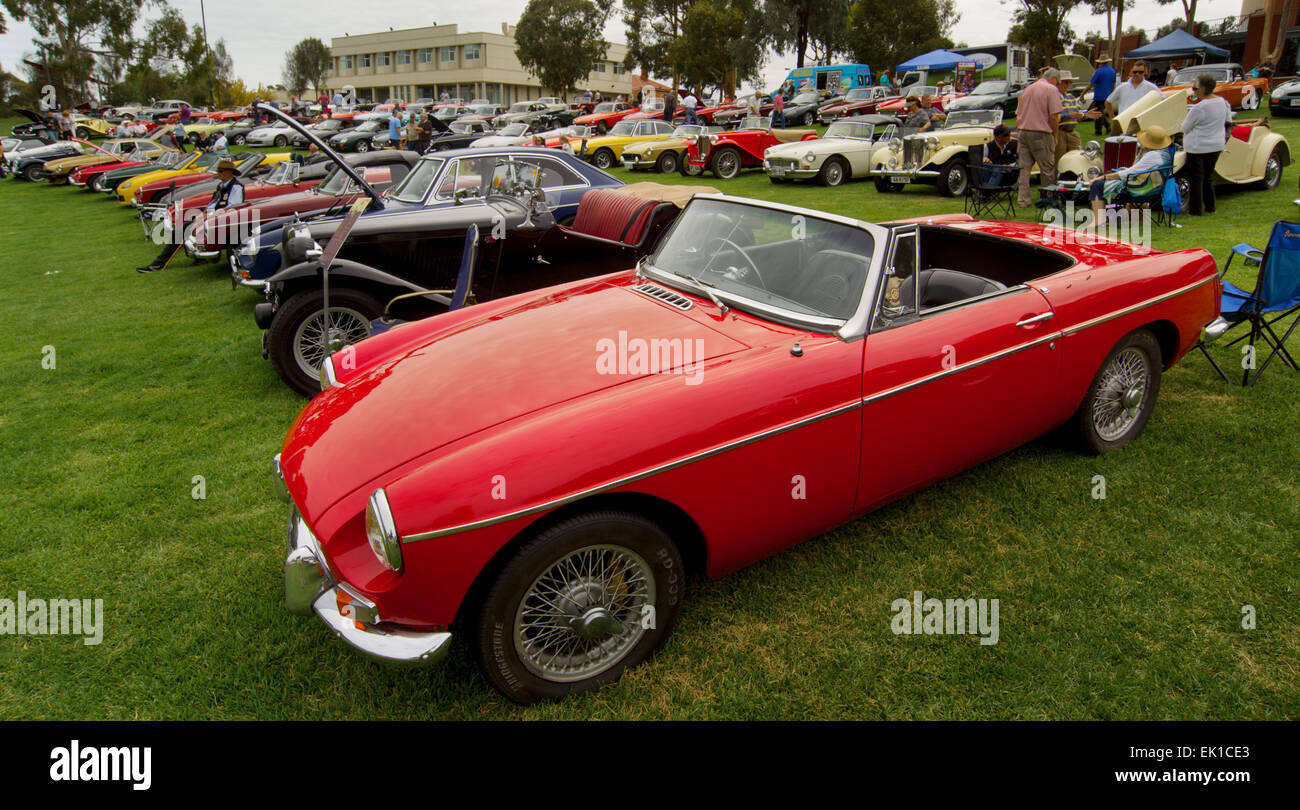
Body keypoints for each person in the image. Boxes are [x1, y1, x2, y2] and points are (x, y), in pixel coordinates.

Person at [137, 159, 244, 273]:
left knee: (183, 229)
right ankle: (196, 258)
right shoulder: (221, 186)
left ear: (230, 172)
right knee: (184, 227)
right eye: (218, 171)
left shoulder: (236, 187)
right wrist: (204, 213)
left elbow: (232, 208)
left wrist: (209, 215)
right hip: (210, 217)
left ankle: (159, 263)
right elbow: (213, 203)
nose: (218, 174)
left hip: (220, 220)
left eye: (221, 171)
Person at [1088, 125, 1175, 216]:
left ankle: (1099, 219)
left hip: (1142, 189)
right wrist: (1140, 154)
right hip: (1154, 188)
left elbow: (1130, 172)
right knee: (1110, 178)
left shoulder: (1153, 156)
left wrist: (1102, 177)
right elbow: (1136, 169)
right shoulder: (1164, 153)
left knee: (1097, 185)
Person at [1181, 73, 1233, 216]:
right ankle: (1211, 207)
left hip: (1198, 147)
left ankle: (1195, 210)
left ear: (1204, 89)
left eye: (1195, 88)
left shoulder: (1200, 108)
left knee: (1196, 179)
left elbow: (1185, 127)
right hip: (1215, 145)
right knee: (1208, 177)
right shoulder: (1222, 102)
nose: (1194, 91)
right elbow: (1228, 119)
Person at [1015, 67, 1062, 207]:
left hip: (1023, 132)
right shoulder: (1051, 89)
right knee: (1047, 168)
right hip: (1041, 132)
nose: (1057, 85)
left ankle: (1023, 200)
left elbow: (1018, 113)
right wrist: (1055, 135)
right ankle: (1048, 199)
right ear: (1054, 78)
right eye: (1058, 82)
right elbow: (1054, 116)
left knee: (1024, 169)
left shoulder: (1028, 89)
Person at [1105, 60, 1160, 124]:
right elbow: (1108, 102)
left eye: (1140, 72)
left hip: (1142, 123)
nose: (1137, 74)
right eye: (1135, 72)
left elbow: (1163, 100)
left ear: (1144, 72)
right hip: (1124, 123)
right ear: (1131, 72)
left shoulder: (1151, 87)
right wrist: (1113, 119)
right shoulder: (1122, 87)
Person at [1084, 54, 1116, 136]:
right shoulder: (1112, 71)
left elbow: (1091, 84)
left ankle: (1098, 131)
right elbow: (1114, 85)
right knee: (1100, 112)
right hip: (1108, 96)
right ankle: (1108, 126)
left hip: (1099, 96)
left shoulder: (1098, 71)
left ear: (1100, 62)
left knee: (1097, 113)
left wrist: (1082, 94)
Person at [1055, 74, 1084, 161]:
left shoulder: (1071, 97)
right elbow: (1053, 117)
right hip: (1060, 132)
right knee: (1059, 159)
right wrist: (1069, 116)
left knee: (1077, 157)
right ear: (1058, 83)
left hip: (1072, 132)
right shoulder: (1054, 97)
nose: (1068, 85)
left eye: (1070, 82)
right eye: (1066, 82)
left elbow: (1075, 113)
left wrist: (1084, 115)